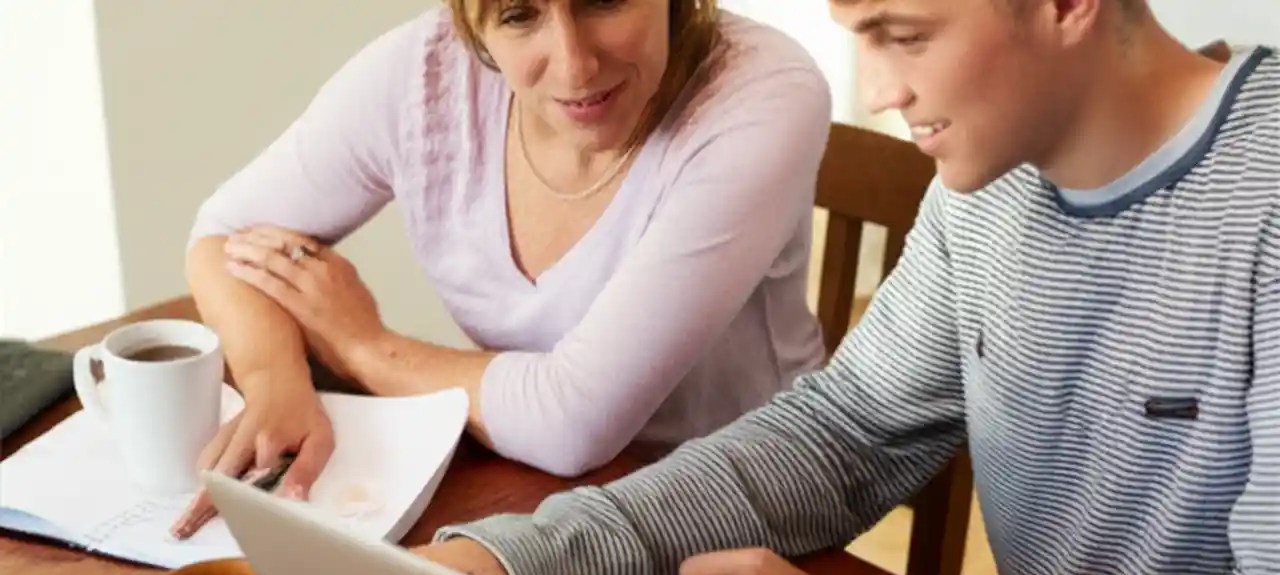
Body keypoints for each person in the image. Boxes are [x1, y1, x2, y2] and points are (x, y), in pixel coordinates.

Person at [416, 0, 1280, 575]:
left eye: (905, 36)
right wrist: (538, 553)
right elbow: (848, 430)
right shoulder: (992, 185)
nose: (877, 91)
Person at [173, 0, 835, 536]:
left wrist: (362, 346)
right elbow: (223, 236)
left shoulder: (764, 94)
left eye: (605, 1)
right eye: (519, 14)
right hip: (533, 494)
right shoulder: (427, 77)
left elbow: (573, 422)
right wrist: (274, 383)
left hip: (742, 517)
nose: (575, 65)